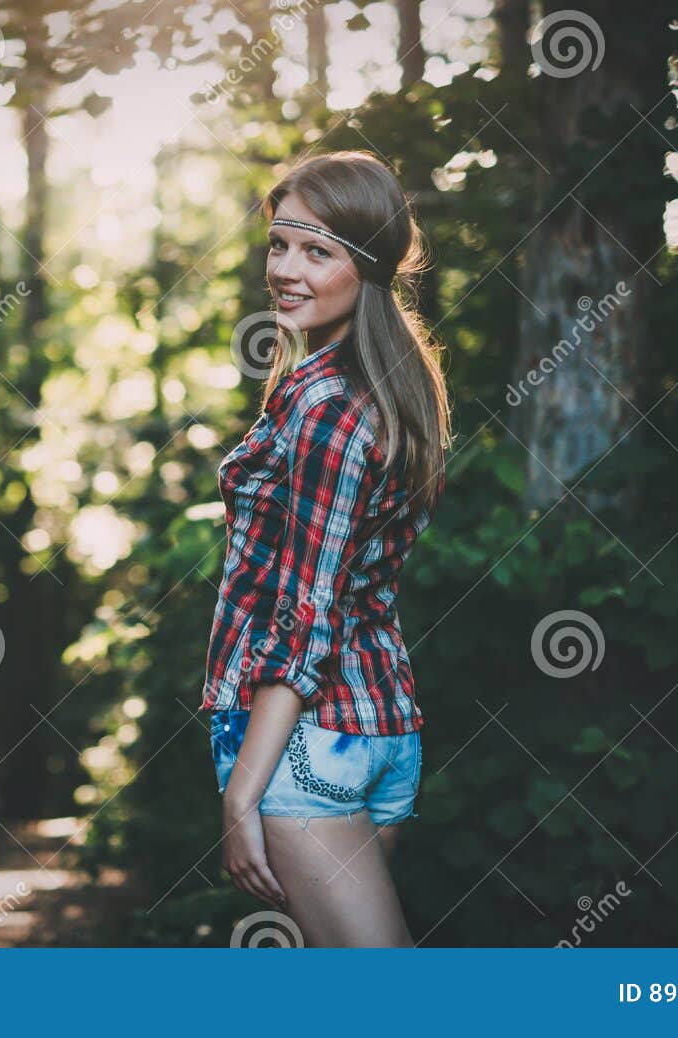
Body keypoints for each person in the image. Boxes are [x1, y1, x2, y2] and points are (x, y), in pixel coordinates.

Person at [200, 149, 451, 947]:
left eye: (317, 250)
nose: (285, 268)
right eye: (279, 244)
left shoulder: (326, 410)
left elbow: (305, 615)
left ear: (365, 266)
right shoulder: (387, 393)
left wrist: (243, 794)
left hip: (308, 743)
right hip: (378, 726)